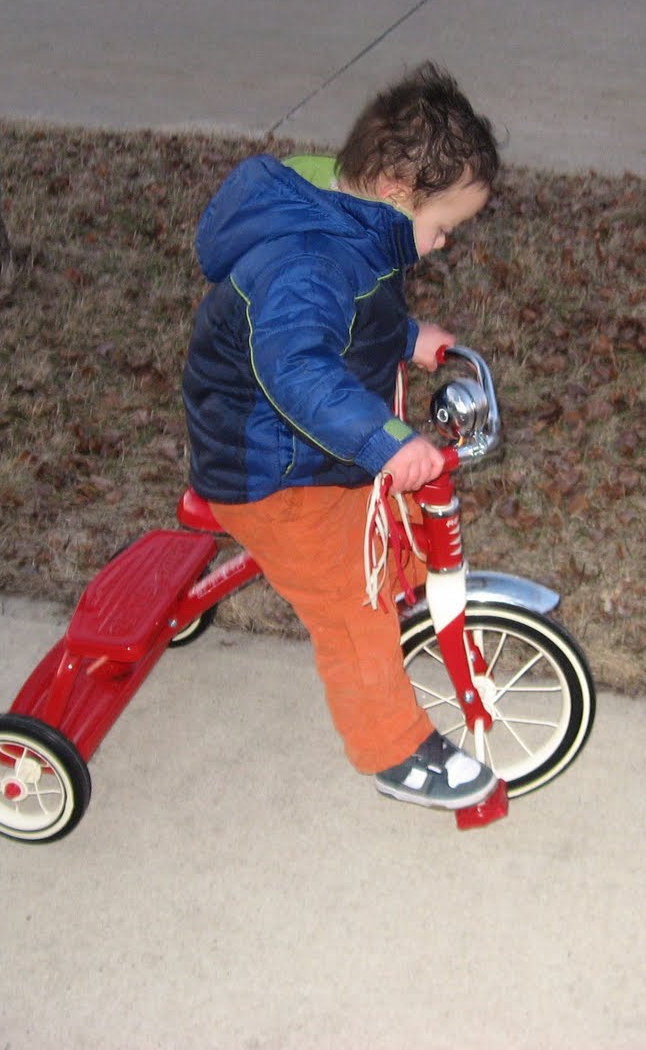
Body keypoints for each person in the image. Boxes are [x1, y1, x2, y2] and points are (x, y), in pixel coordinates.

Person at [181, 62, 500, 811]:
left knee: (390, 518)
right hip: (272, 471)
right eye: (443, 226)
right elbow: (296, 368)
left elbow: (357, 307)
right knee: (352, 610)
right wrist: (386, 441)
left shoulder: (348, 217)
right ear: (396, 188)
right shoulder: (307, 262)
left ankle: (407, 601)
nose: (445, 243)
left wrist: (408, 334)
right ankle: (395, 751)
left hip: (305, 447)